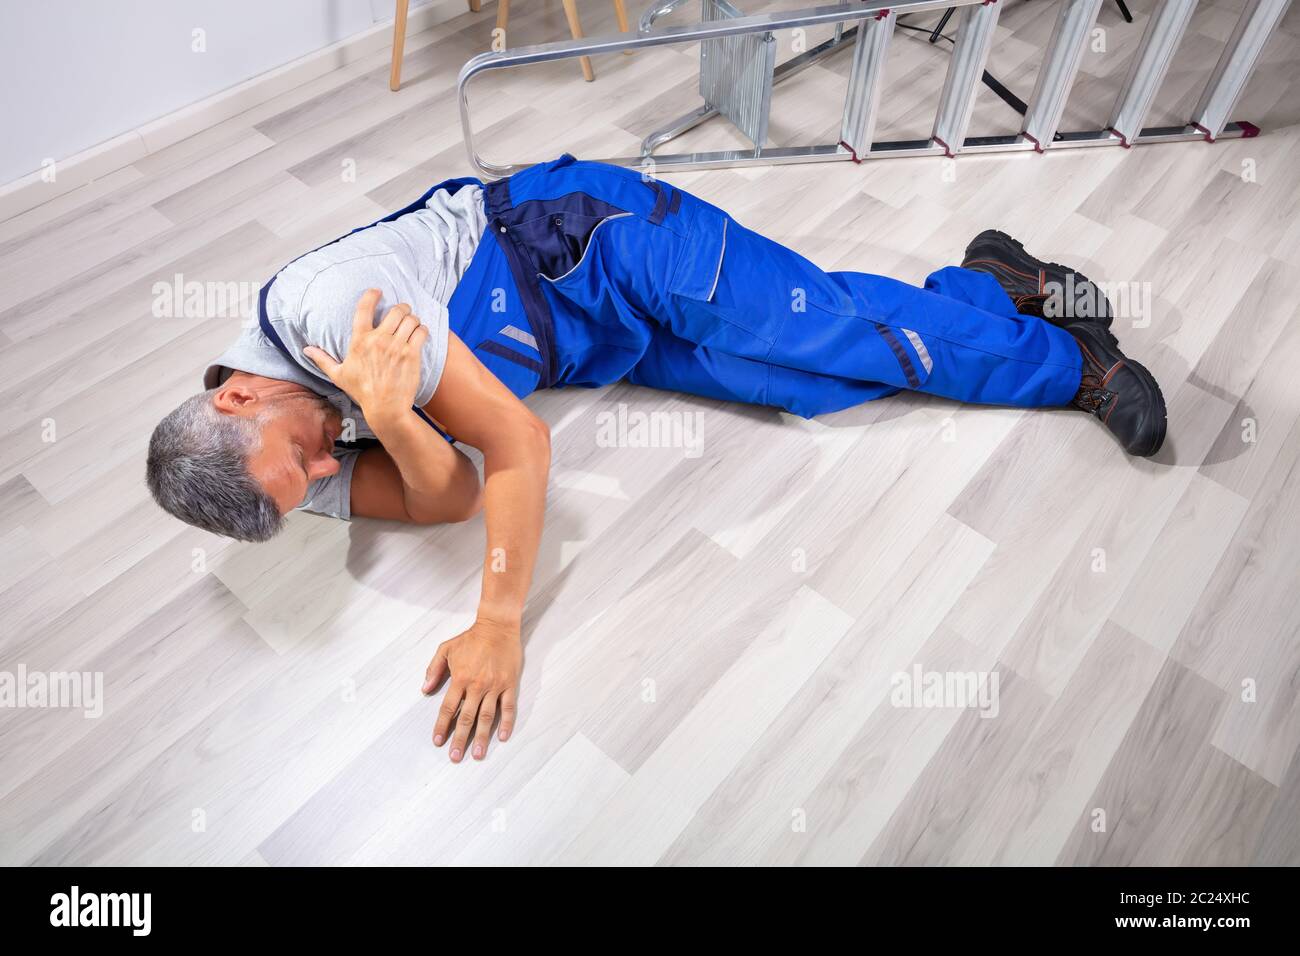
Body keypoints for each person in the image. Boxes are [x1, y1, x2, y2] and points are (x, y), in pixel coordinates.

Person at [147, 153, 1166, 762]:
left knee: (829, 332)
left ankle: (1074, 364)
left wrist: (498, 619)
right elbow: (446, 498)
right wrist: (395, 420)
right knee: (810, 383)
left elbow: (512, 443)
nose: (329, 470)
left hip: (593, 237)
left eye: (308, 455)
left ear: (236, 393)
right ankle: (990, 283)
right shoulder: (281, 473)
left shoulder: (332, 315)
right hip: (580, 337)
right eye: (313, 485)